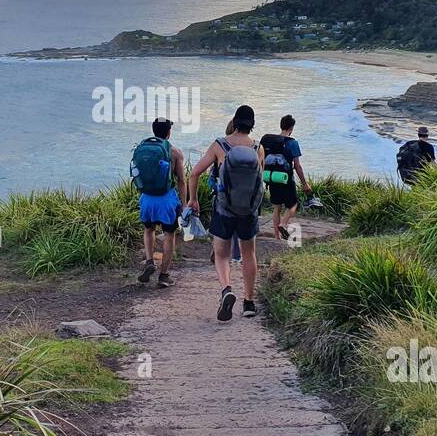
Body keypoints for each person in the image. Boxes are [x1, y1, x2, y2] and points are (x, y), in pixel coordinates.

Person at [187, 104, 264, 321]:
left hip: (224, 209)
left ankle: (227, 289)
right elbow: (260, 182)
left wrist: (193, 200)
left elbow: (194, 174)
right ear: (252, 125)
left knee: (221, 254)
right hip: (248, 211)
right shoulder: (258, 148)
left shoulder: (220, 145)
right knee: (249, 254)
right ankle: (249, 302)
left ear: (235, 122)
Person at [132, 117, 186, 287]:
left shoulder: (142, 148)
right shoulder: (175, 152)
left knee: (149, 230)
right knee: (169, 235)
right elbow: (182, 181)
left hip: (147, 198)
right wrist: (184, 204)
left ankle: (149, 261)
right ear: (169, 133)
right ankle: (164, 275)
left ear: (154, 130)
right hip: (166, 200)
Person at [259, 114, 311, 240]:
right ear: (291, 128)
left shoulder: (268, 140)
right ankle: (283, 224)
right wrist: (305, 183)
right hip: (286, 179)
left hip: (271, 178)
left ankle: (277, 237)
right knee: (293, 205)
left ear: (281, 125)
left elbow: (260, 159)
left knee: (277, 207)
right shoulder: (292, 143)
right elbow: (297, 166)